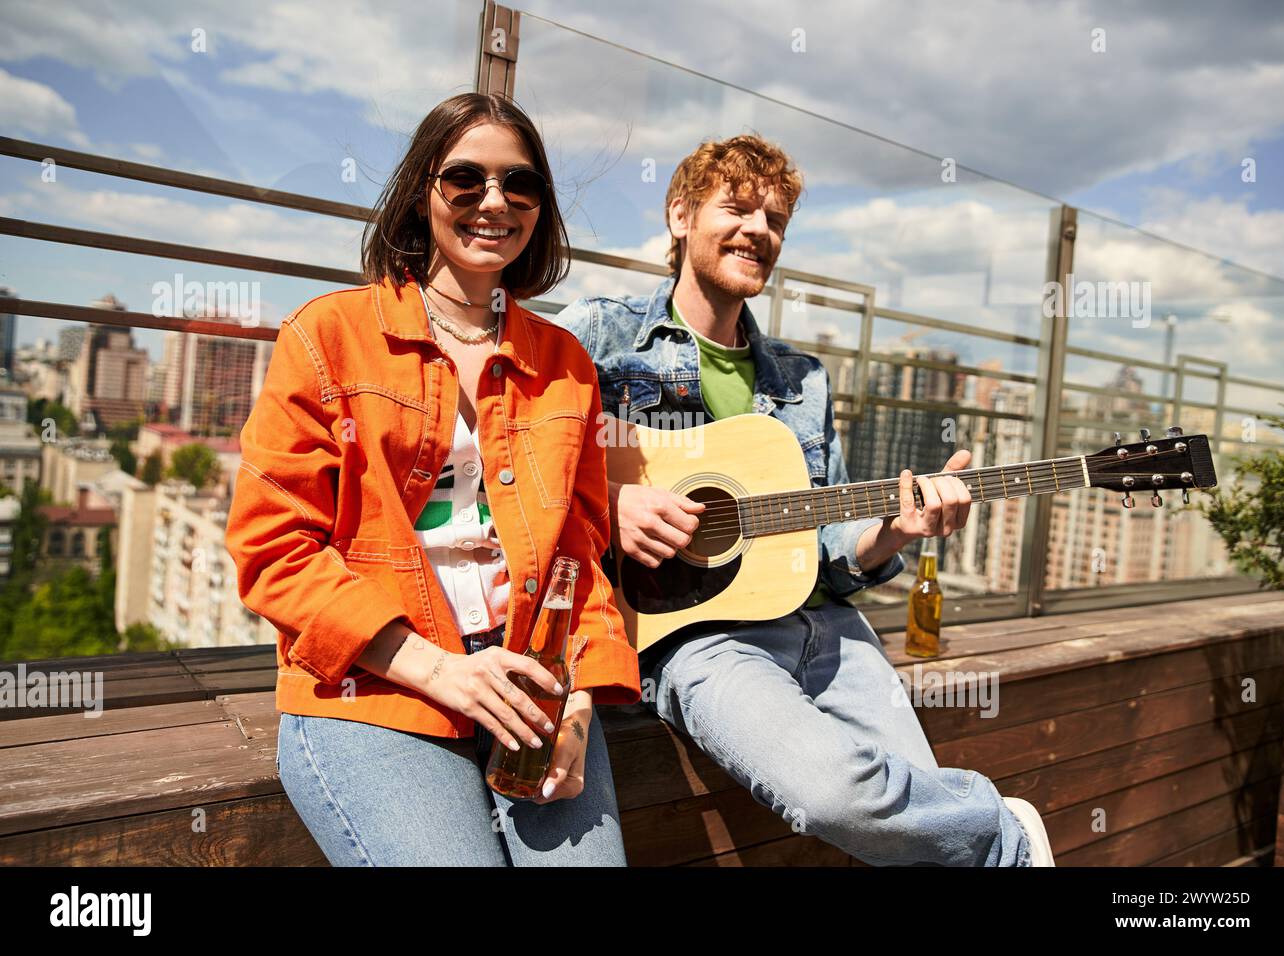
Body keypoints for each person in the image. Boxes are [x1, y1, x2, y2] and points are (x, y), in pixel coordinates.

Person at [552, 134, 1055, 866]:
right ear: (679, 214)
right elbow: (508, 451)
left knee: (917, 837)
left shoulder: (801, 378)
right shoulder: (601, 333)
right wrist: (613, 500)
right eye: (738, 208)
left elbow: (824, 540)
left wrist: (892, 532)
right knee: (839, 798)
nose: (761, 230)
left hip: (826, 628)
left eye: (776, 219)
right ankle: (1002, 832)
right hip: (697, 639)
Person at [225, 92, 641, 866]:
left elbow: (578, 559)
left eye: (520, 184)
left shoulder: (565, 365)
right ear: (424, 193)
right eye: (465, 179)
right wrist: (442, 671)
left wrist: (579, 702)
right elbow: (273, 545)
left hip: (530, 677)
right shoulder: (328, 336)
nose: (495, 201)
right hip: (376, 681)